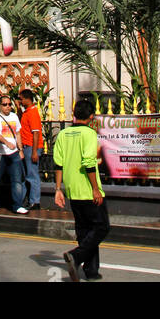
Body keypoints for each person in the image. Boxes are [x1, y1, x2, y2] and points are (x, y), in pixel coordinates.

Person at [53, 94, 110, 282]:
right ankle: (76, 256)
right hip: (87, 188)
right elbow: (89, 163)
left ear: (75, 115)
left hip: (71, 189)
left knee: (85, 230)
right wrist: (95, 188)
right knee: (101, 227)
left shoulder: (63, 134)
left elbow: (58, 164)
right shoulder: (89, 134)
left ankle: (91, 270)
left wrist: (58, 189)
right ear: (91, 116)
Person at [0, 95, 27, 214]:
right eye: (5, 104)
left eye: (9, 104)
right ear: (0, 105)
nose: (8, 107)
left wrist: (20, 149)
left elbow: (18, 134)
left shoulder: (14, 116)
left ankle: (17, 205)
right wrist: (6, 143)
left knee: (17, 180)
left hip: (13, 153)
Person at [17, 88, 44, 211]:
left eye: (21, 99)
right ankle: (24, 200)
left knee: (32, 175)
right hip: (26, 147)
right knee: (26, 174)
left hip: (31, 147)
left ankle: (35, 201)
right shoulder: (27, 112)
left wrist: (34, 151)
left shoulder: (33, 113)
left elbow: (36, 133)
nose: (20, 101)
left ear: (27, 99)